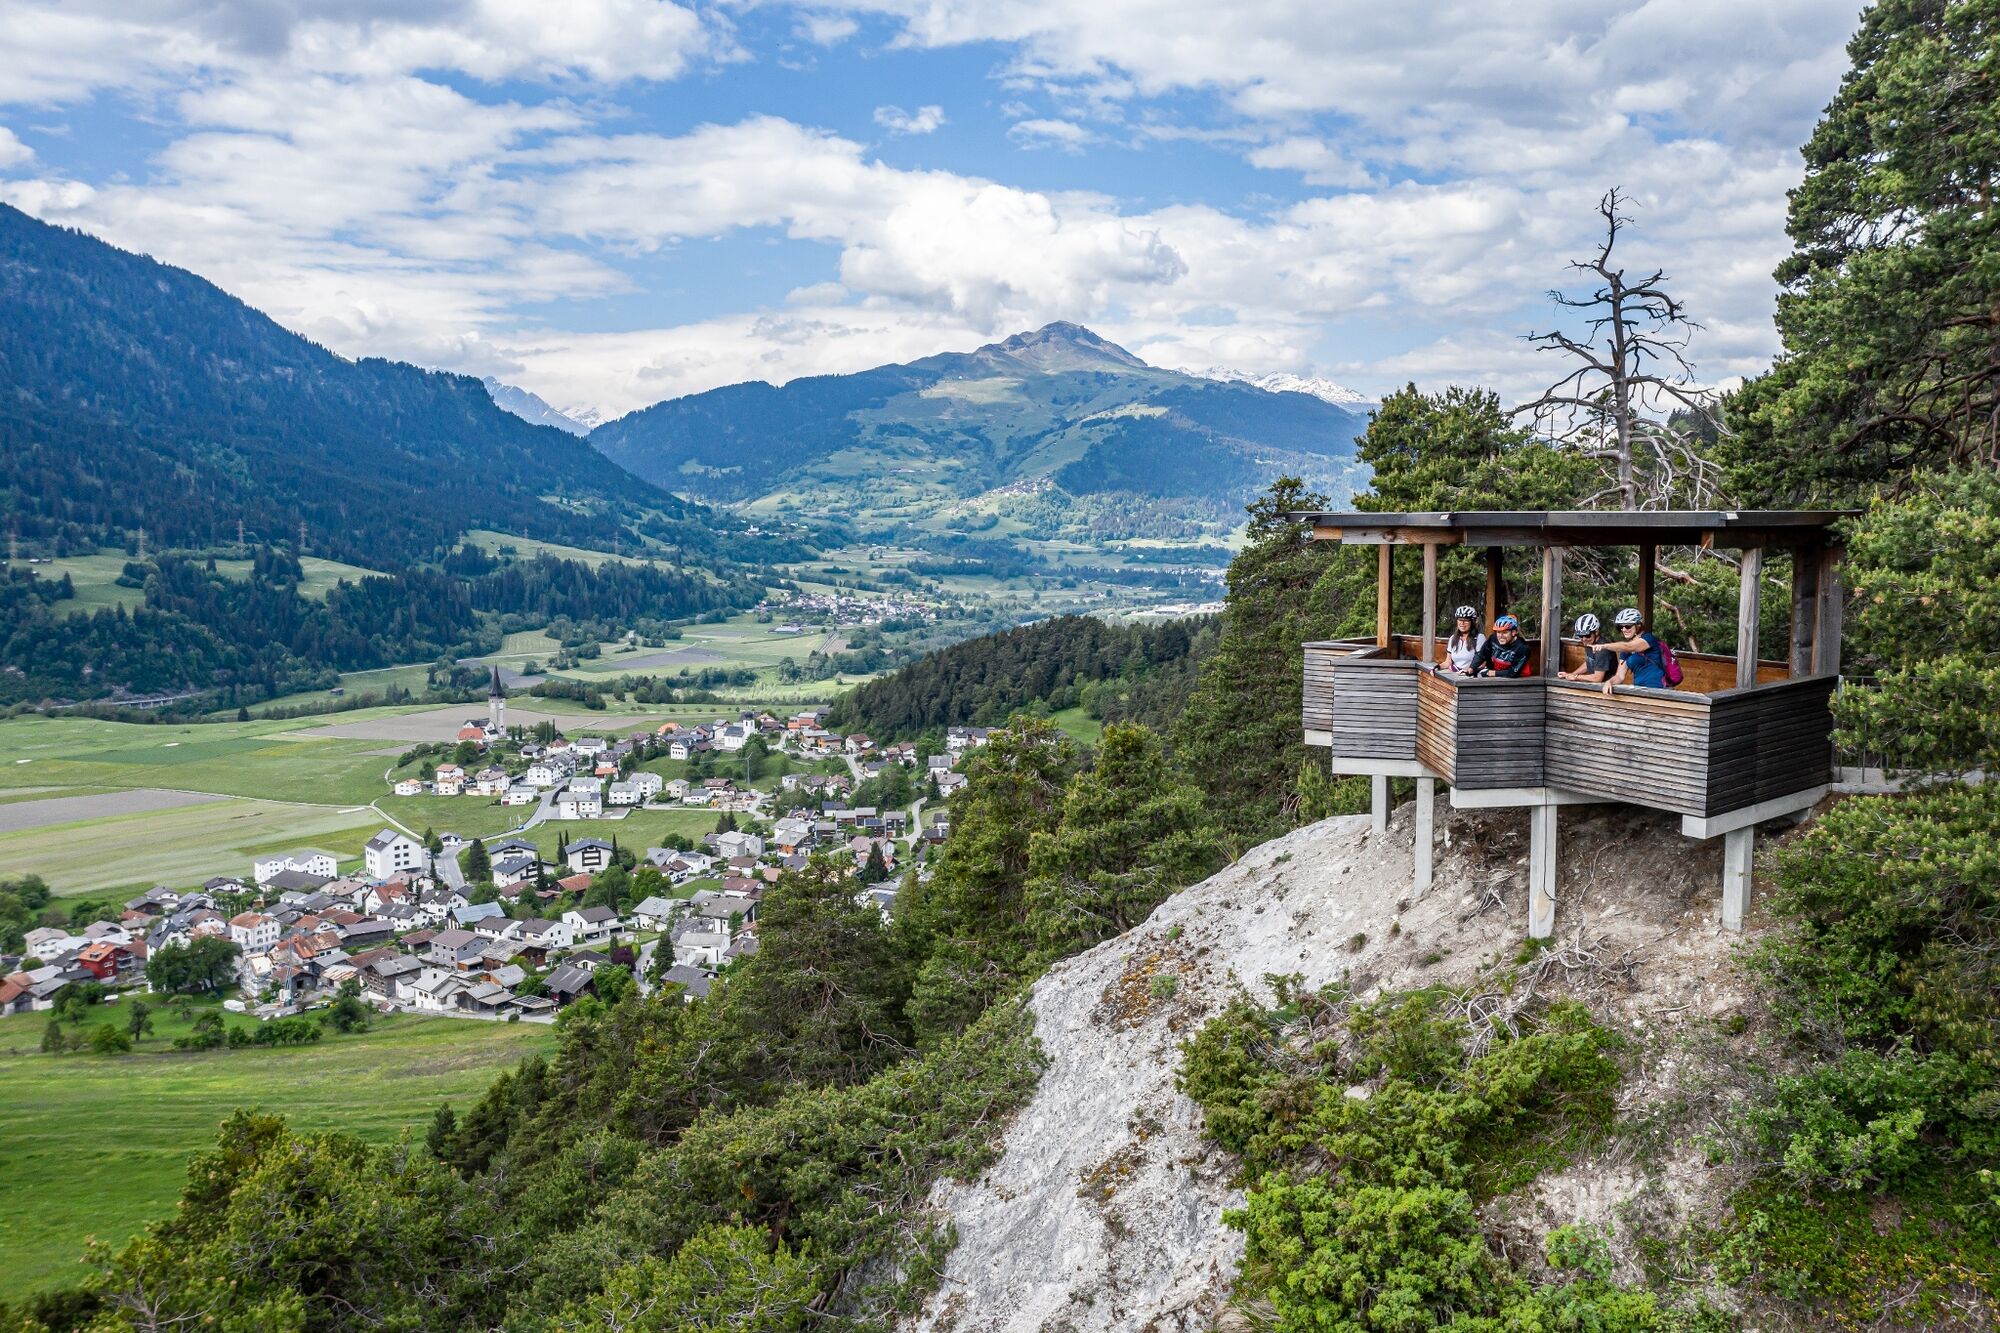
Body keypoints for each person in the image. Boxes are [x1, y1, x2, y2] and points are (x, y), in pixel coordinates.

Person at [1596, 608, 1670, 695]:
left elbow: (1630, 646)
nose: (1623, 630)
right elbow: (1619, 676)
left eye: (1627, 626)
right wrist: (1609, 682)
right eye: (1620, 627)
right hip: (1639, 691)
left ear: (1638, 625)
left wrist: (1605, 646)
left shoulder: (1648, 639)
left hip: (1659, 690)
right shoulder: (1625, 650)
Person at [1555, 613, 1618, 683]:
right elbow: (1589, 662)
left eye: (1587, 635)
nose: (1584, 639)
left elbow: (1597, 678)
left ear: (1596, 632)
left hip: (1606, 687)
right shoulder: (1590, 643)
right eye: (1580, 636)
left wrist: (1575, 677)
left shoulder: (1601, 649)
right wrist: (1572, 674)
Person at [1442, 605, 1485, 674]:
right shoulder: (1453, 638)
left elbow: (1483, 663)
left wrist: (1469, 670)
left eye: (1466, 620)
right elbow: (1448, 662)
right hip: (1456, 675)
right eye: (1460, 620)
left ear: (1472, 622)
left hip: (1473, 677)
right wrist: (1437, 667)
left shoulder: (1479, 638)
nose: (1462, 623)